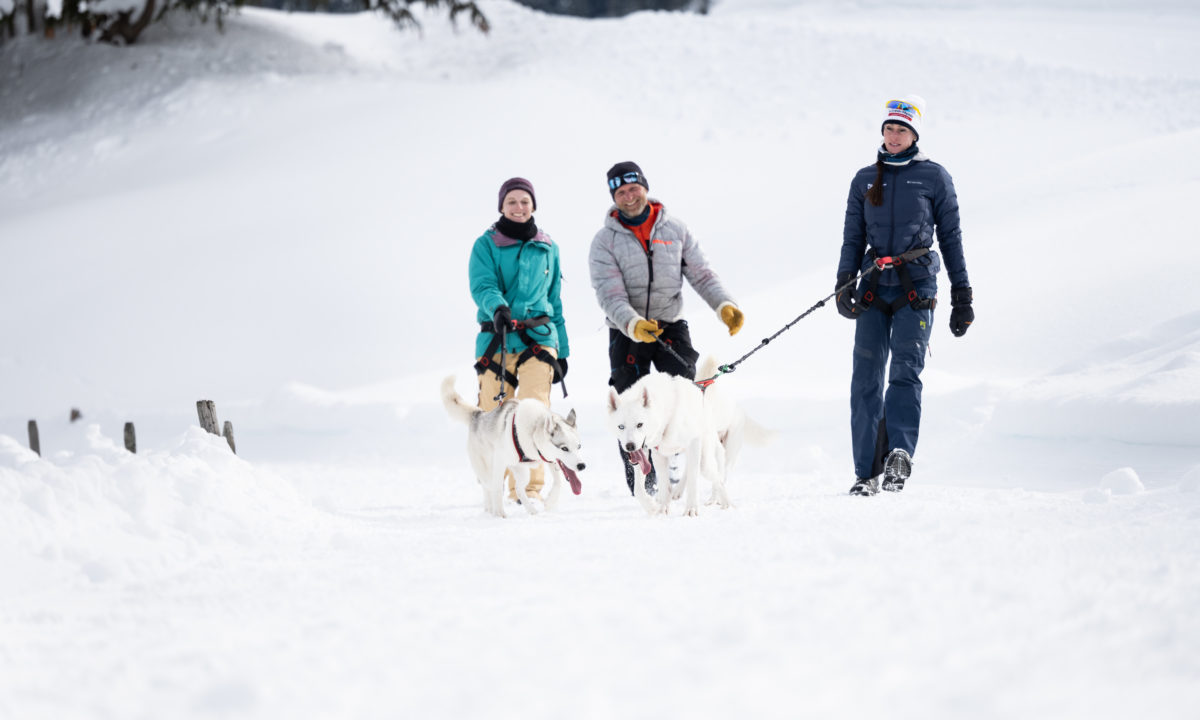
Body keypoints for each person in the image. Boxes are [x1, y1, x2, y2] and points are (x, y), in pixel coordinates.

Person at [834, 95, 974, 496]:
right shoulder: (863, 179)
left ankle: (899, 453)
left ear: (915, 134)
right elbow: (852, 236)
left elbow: (950, 238)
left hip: (917, 288)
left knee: (904, 373)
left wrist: (963, 294)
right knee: (864, 379)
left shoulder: (933, 177)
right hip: (874, 287)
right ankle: (866, 472)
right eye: (889, 128)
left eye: (902, 130)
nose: (894, 136)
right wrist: (844, 281)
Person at [589, 161, 744, 495]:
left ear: (645, 187)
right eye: (621, 192)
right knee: (628, 406)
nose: (629, 196)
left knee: (688, 393)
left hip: (670, 326)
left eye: (634, 188)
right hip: (626, 332)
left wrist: (724, 305)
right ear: (614, 197)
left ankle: (682, 467)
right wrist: (632, 323)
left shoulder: (675, 229)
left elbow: (701, 273)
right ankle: (643, 485)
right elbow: (608, 293)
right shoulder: (604, 242)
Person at [469, 177, 570, 503]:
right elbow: (483, 284)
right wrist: (497, 306)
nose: (518, 207)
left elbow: (554, 301)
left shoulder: (548, 247)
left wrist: (563, 351)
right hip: (496, 340)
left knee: (536, 414)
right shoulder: (485, 246)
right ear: (501, 206)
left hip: (539, 340)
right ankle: (494, 489)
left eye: (524, 201)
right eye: (511, 201)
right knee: (492, 418)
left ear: (533, 206)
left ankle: (529, 493)